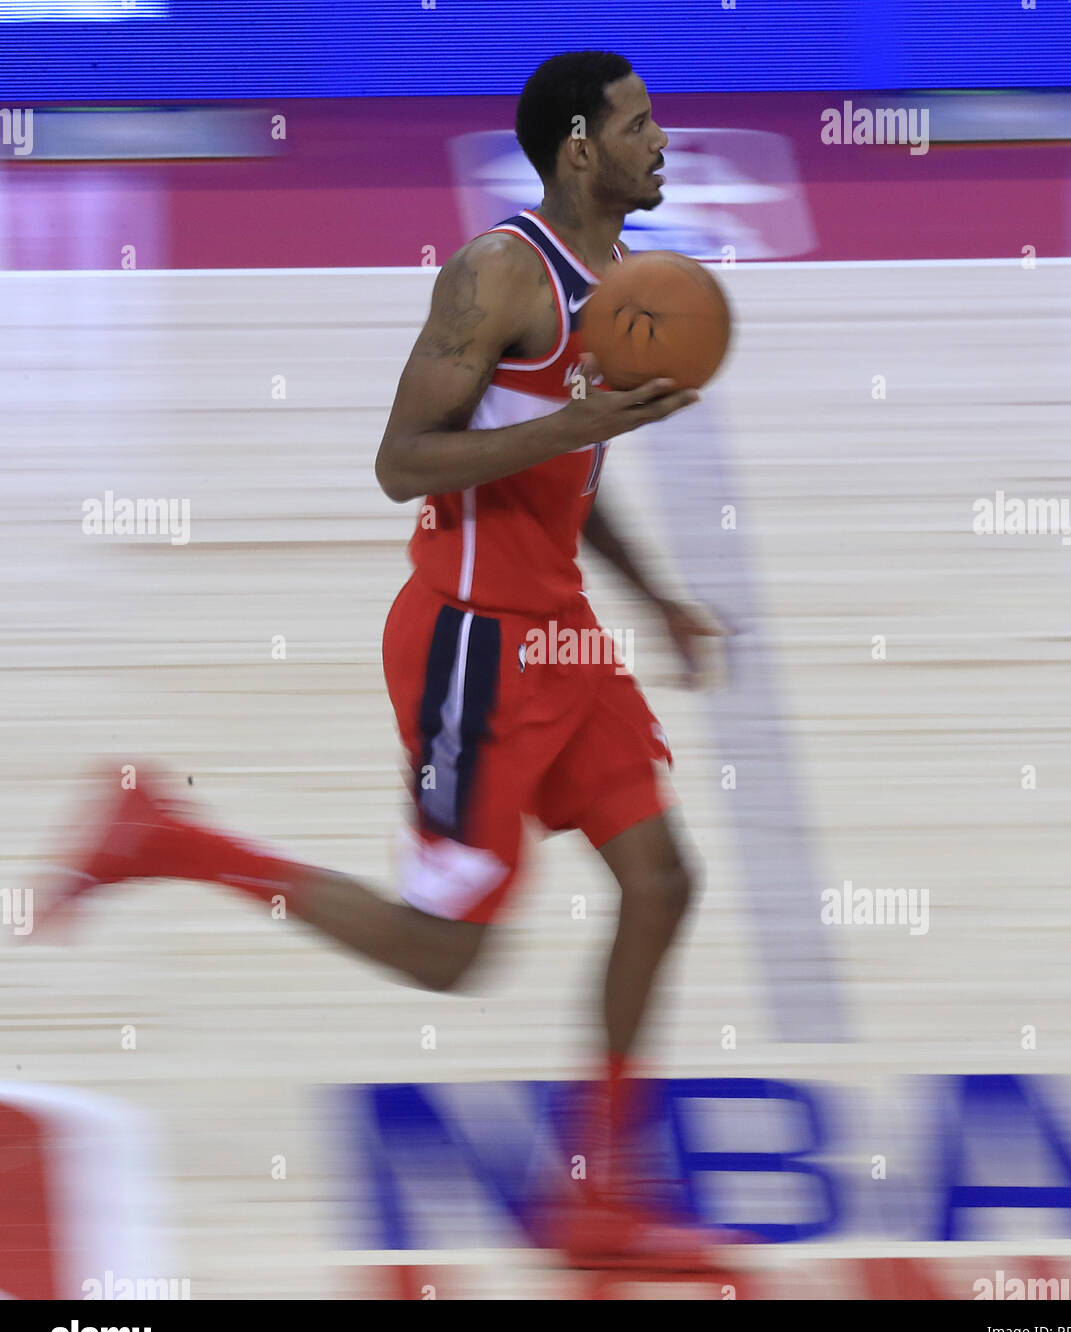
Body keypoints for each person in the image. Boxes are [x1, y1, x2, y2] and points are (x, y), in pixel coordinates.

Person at [40, 50, 722, 1270]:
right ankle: (167, 838)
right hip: (475, 645)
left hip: (564, 633)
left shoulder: (621, 281)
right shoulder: (499, 273)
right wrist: (574, 423)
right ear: (579, 146)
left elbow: (565, 472)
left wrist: (658, 597)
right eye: (640, 124)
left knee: (664, 883)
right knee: (446, 954)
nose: (662, 141)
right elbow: (402, 460)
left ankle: (595, 1198)